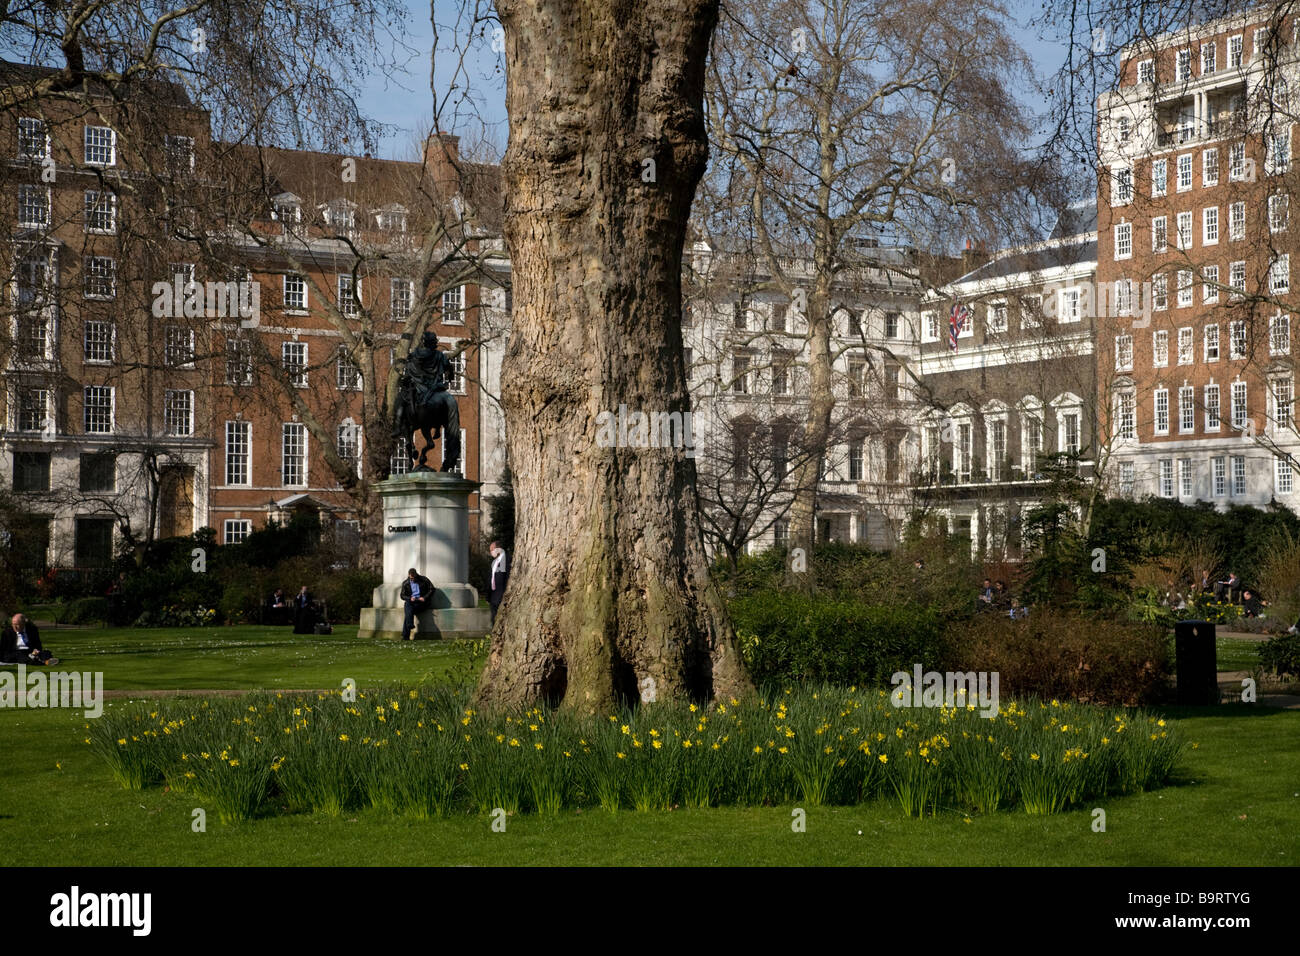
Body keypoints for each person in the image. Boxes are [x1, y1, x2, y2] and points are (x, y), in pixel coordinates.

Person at [400, 568, 434, 641]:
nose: (412, 579)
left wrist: (424, 597)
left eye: (414, 578)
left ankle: (406, 632)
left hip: (422, 602)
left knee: (408, 613)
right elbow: (402, 595)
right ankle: (409, 626)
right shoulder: (406, 583)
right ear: (409, 575)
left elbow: (432, 589)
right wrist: (410, 598)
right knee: (408, 606)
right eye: (411, 578)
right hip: (412, 602)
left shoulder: (424, 580)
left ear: (416, 575)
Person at [488, 541, 509, 625]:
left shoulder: (508, 560)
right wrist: (488, 596)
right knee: (493, 620)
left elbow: (507, 578)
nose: (491, 552)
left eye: (492, 550)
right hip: (493, 597)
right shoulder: (494, 562)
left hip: (502, 596)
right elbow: (491, 578)